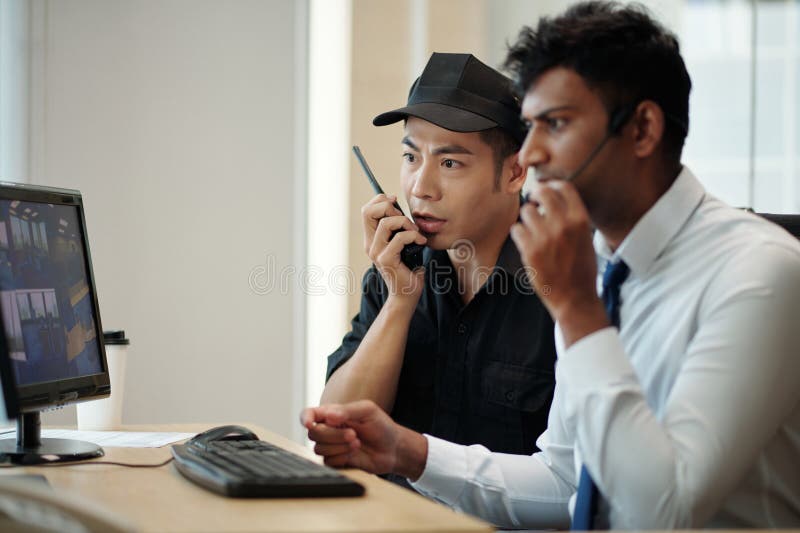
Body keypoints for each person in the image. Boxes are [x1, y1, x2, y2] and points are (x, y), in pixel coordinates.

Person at [302, 2, 800, 529]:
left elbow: (662, 511)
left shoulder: (758, 274)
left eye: (555, 125)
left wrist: (579, 309)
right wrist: (410, 452)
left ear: (643, 129)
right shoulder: (601, 264)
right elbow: (566, 483)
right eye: (532, 126)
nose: (532, 154)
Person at [321, 53, 557, 466]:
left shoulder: (565, 278)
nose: (421, 188)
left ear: (516, 171)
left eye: (449, 163)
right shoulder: (397, 268)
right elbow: (338, 434)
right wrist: (399, 302)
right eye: (411, 158)